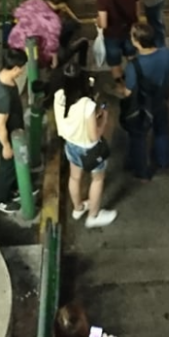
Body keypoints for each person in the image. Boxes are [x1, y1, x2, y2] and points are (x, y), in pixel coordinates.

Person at [54, 65, 117, 228]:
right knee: (97, 180)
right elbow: (93, 135)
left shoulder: (59, 95)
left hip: (71, 145)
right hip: (90, 149)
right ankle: (93, 216)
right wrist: (103, 119)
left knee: (74, 177)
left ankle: (78, 208)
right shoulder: (86, 105)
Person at [121, 23, 169, 182]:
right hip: (161, 100)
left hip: (142, 106)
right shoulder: (167, 54)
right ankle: (164, 160)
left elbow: (129, 92)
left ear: (136, 42)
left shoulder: (134, 66)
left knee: (138, 137)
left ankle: (141, 170)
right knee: (162, 130)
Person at [0, 47, 29, 214]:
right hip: (6, 134)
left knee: (13, 166)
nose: (22, 71)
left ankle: (11, 189)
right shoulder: (3, 96)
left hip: (13, 130)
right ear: (15, 69)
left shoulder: (0, 74)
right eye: (22, 68)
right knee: (7, 166)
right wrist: (6, 145)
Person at [96, 0, 140, 83]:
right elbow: (137, 10)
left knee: (115, 64)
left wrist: (97, 21)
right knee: (132, 57)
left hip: (112, 35)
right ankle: (134, 82)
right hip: (130, 31)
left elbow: (103, 24)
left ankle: (121, 87)